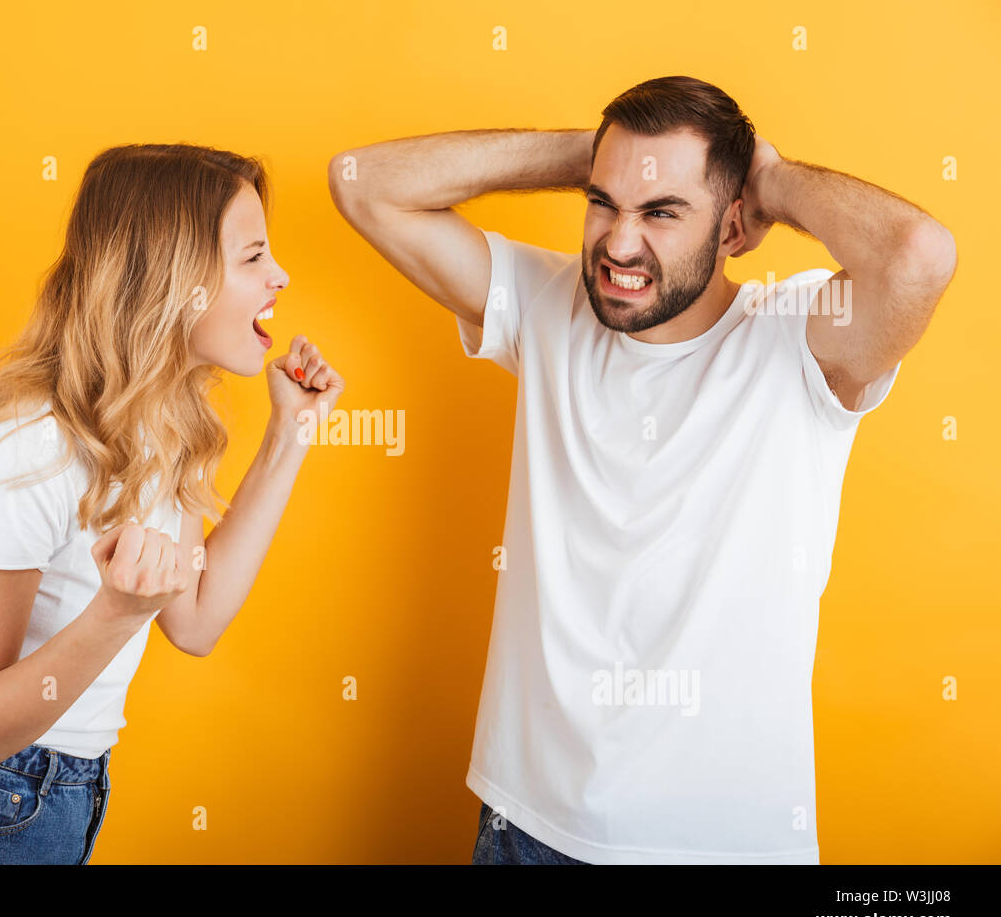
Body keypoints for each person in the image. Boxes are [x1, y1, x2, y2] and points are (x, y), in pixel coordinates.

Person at [328, 76, 955, 864]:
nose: (619, 244)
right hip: (525, 827)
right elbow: (361, 183)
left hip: (720, 847)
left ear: (733, 228)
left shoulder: (799, 339)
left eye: (662, 212)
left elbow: (919, 255)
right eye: (603, 204)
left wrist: (769, 179)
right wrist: (602, 157)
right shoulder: (549, 304)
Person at [0, 143, 344, 864]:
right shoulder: (24, 448)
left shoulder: (156, 432)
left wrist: (290, 433)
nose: (279, 276)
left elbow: (196, 619)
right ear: (174, 280)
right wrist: (114, 614)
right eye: (253, 256)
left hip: (55, 799)